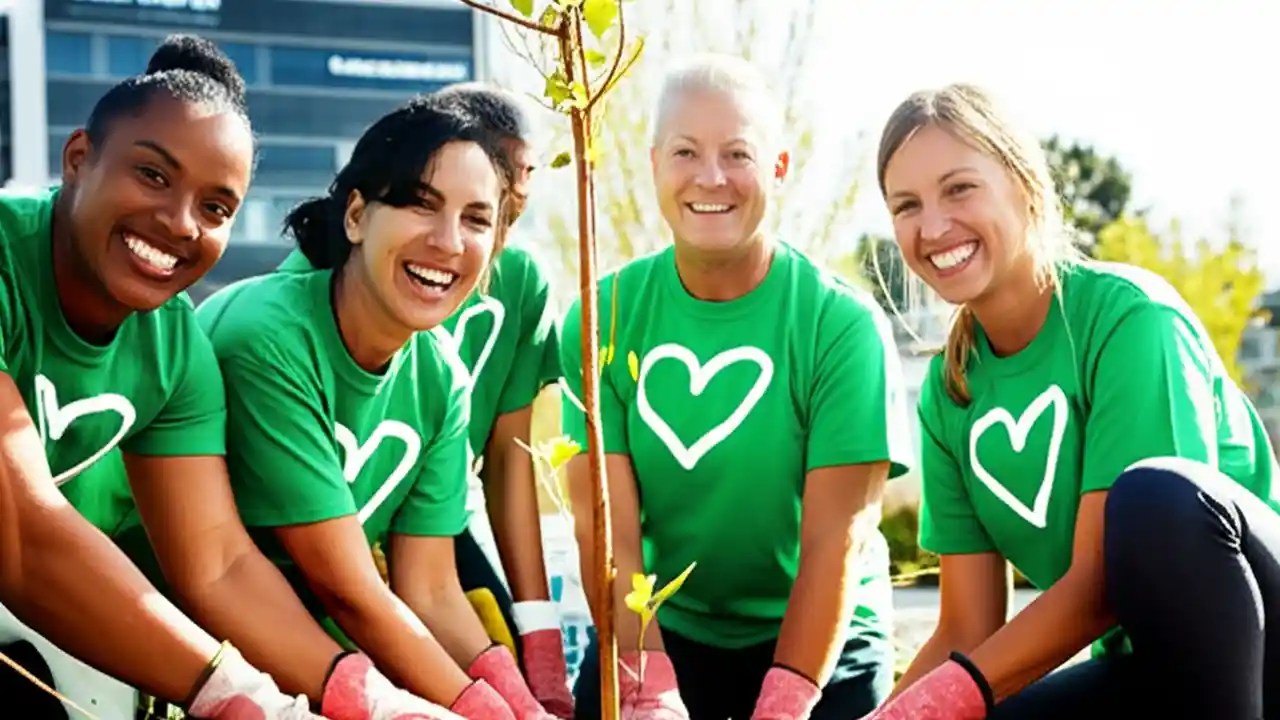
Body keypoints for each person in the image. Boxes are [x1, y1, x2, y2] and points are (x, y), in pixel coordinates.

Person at [864, 83, 1280, 720]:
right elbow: (965, 633)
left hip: (1262, 641)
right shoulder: (952, 394)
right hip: (1153, 670)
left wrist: (944, 703)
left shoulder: (1129, 319)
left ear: (1024, 183)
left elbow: (1099, 586)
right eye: (907, 205)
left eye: (959, 189)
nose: (934, 225)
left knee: (1155, 496)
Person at [0, 34, 348, 718]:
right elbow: (20, 532)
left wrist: (361, 696)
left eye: (216, 208)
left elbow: (217, 564)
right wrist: (232, 693)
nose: (180, 222)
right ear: (78, 160)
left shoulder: (175, 347)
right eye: (153, 175)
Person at [560, 54, 914, 720]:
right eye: (686, 152)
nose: (711, 177)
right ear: (655, 163)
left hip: (822, 630)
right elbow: (609, 535)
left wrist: (785, 699)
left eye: (738, 154)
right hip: (668, 625)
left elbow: (832, 542)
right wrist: (648, 684)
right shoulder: (598, 318)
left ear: (778, 169)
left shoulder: (839, 326)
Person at [196, 95, 560, 720]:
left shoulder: (441, 375)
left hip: (308, 660)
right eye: (421, 204)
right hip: (179, 653)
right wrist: (476, 708)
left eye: (477, 220)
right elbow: (349, 587)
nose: (449, 242)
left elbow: (433, 589)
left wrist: (515, 697)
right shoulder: (269, 336)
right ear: (358, 215)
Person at [423, 84, 576, 719]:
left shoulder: (523, 283)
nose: (514, 193)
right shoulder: (387, 257)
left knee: (505, 673)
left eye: (525, 174)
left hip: (444, 524)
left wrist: (538, 628)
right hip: (349, 517)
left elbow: (511, 461)